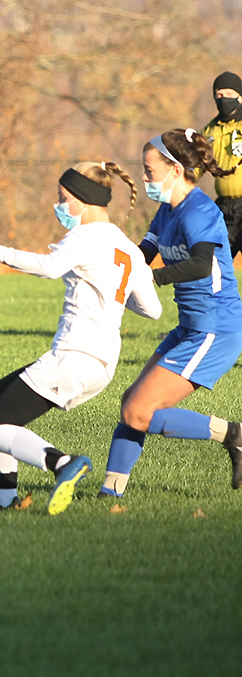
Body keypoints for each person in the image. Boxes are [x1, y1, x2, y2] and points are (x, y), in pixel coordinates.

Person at [0, 161, 162, 515]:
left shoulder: (85, 236)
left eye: (62, 197)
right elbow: (152, 310)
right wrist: (113, 291)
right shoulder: (128, 247)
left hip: (74, 354)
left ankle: (63, 464)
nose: (59, 205)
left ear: (83, 200)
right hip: (102, 364)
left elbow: (49, 266)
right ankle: (4, 499)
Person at [99, 128, 242, 499]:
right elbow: (144, 250)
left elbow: (200, 263)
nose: (145, 177)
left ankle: (235, 435)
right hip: (191, 327)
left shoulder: (200, 210)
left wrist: (153, 277)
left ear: (175, 170)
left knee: (137, 411)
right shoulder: (167, 210)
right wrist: (113, 263)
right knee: (131, 403)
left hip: (215, 330)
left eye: (149, 170)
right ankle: (109, 494)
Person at [197, 71, 242, 260]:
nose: (223, 98)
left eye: (228, 94)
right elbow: (198, 164)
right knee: (217, 262)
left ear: (239, 97)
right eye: (219, 94)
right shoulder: (209, 130)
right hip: (224, 205)